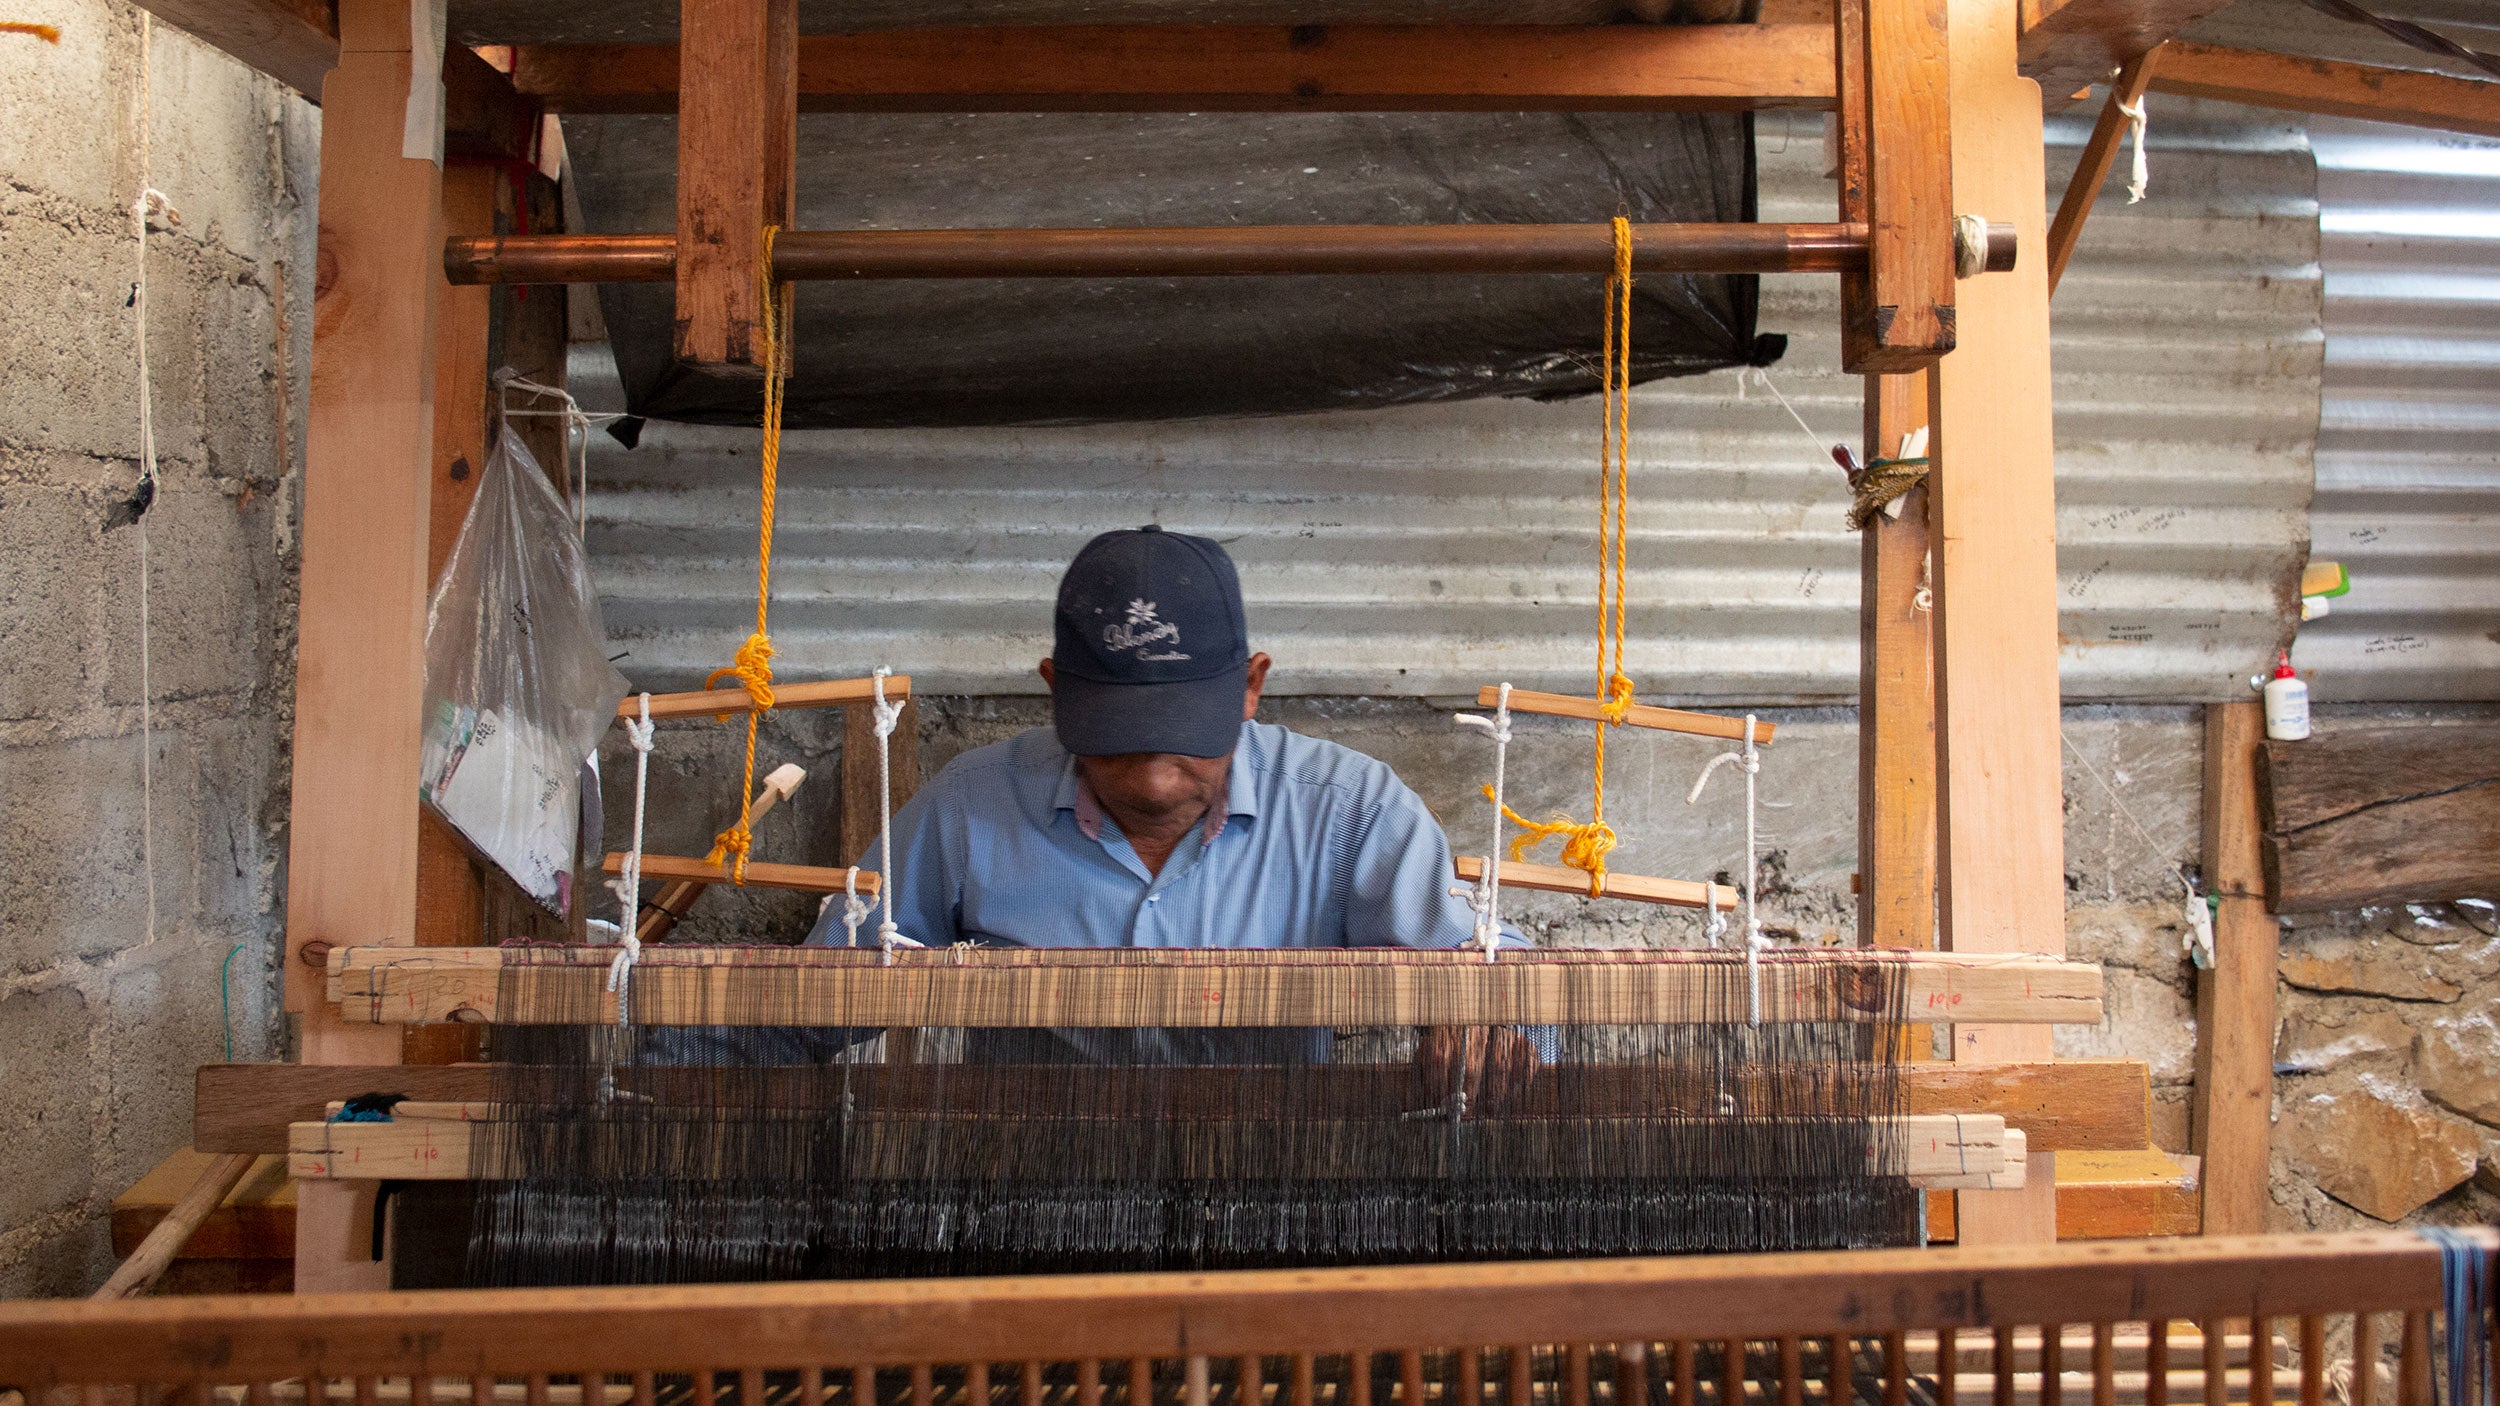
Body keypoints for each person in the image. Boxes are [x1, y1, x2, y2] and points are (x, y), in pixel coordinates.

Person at [803, 524, 1541, 1091]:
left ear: (1252, 687)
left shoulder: (1347, 812)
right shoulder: (969, 809)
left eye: (1183, 737)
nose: (1154, 783)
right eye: (1120, 738)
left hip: (1277, 1197)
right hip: (1034, 1203)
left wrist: (1489, 1019)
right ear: (1056, 690)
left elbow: (1492, 967)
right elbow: (802, 1007)